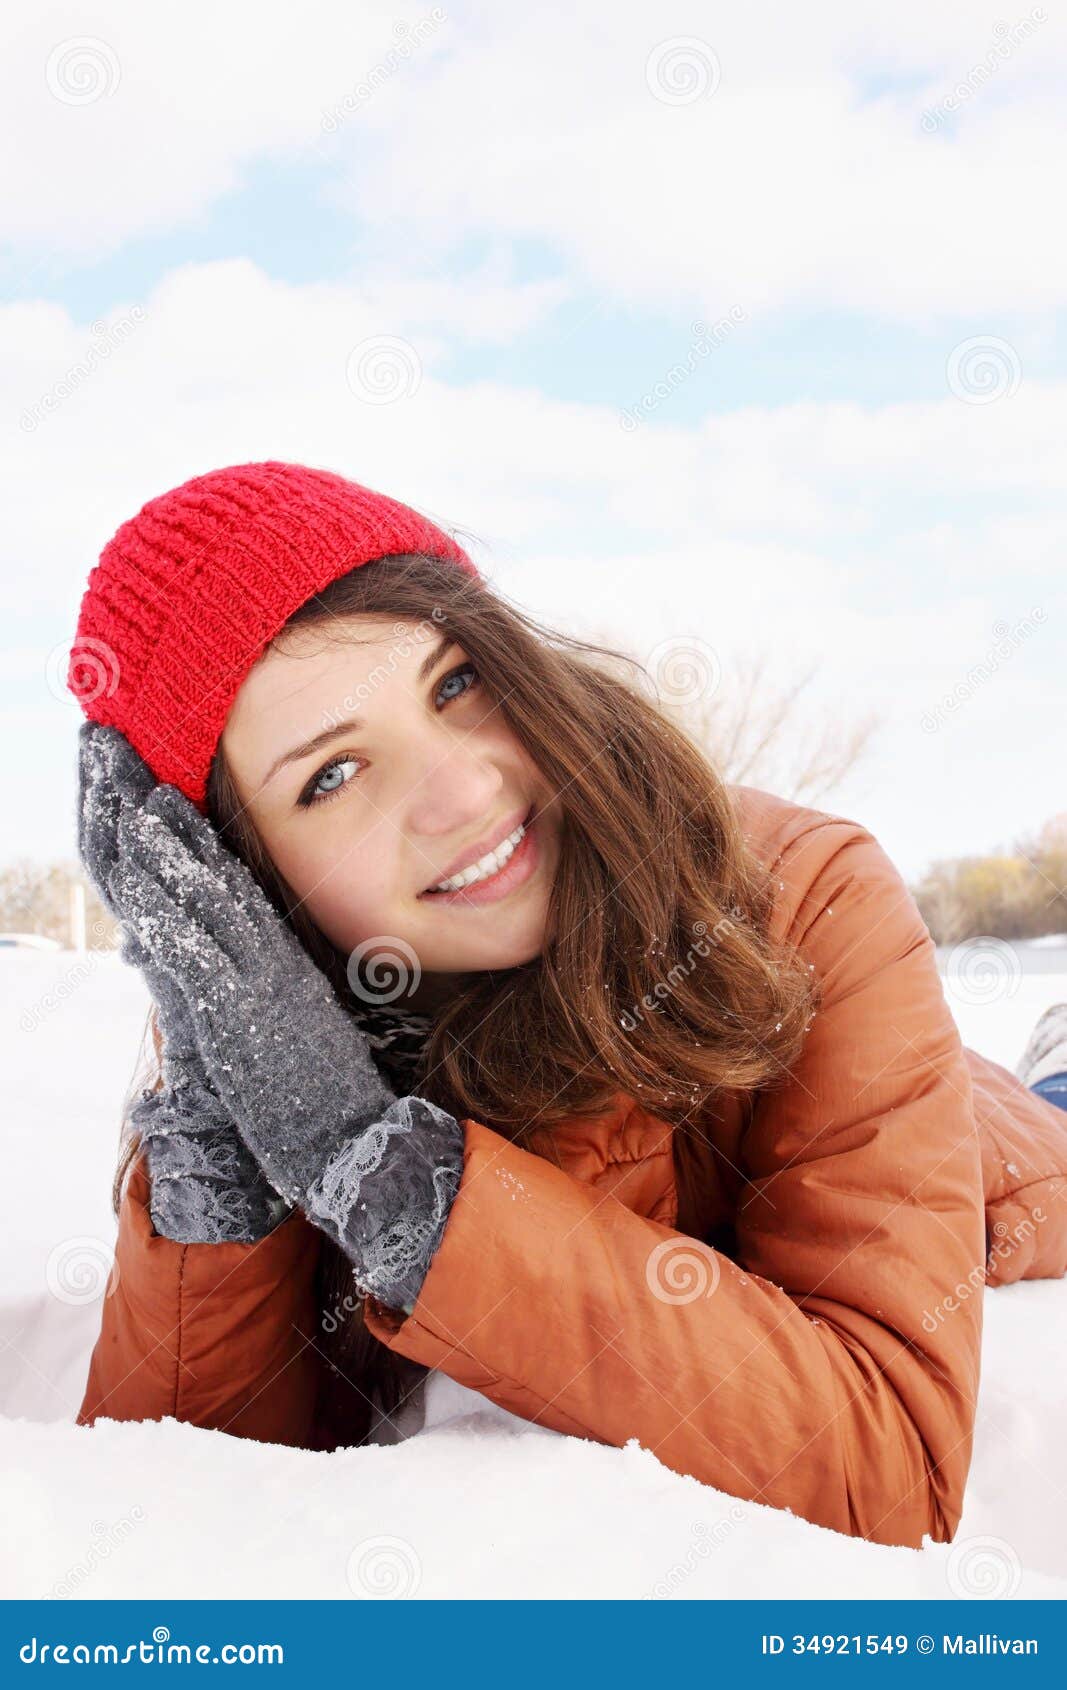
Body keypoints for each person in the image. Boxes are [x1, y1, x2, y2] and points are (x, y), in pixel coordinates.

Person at [70, 461, 1067, 1550]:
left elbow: (887, 1470)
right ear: (245, 887)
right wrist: (234, 1157)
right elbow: (163, 1523)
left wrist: (403, 1190)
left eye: (455, 684)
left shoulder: (801, 895)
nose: (466, 795)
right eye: (333, 775)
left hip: (988, 1141)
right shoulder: (273, 1040)